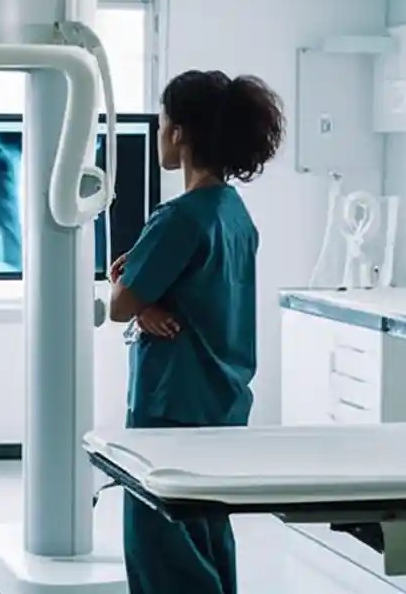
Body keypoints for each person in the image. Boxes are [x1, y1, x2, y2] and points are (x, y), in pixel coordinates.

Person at [108, 70, 285, 594]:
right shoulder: (233, 212)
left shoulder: (179, 219)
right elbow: (194, 294)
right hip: (222, 400)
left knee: (161, 543)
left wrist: (136, 301)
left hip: (172, 404)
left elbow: (119, 305)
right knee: (206, 531)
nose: (160, 132)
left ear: (181, 132)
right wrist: (146, 300)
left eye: (163, 122)